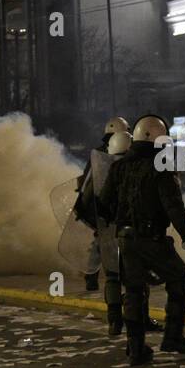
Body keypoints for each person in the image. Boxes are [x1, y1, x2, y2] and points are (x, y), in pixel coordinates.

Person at [99, 114, 185, 365]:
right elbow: (173, 205)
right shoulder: (160, 165)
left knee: (133, 290)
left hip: (125, 238)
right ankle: (173, 337)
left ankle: (136, 348)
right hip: (150, 238)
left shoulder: (119, 166)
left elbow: (103, 204)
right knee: (178, 278)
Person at [78, 130, 131, 336]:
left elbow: (90, 197)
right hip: (130, 232)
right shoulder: (133, 168)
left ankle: (114, 322)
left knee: (112, 277)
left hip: (108, 229)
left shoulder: (102, 165)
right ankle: (137, 325)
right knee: (134, 281)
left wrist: (98, 223)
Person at [76, 116, 128, 290]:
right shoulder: (119, 154)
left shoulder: (98, 153)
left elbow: (85, 179)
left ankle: (94, 276)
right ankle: (110, 277)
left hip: (102, 204)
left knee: (101, 242)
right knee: (108, 241)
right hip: (112, 204)